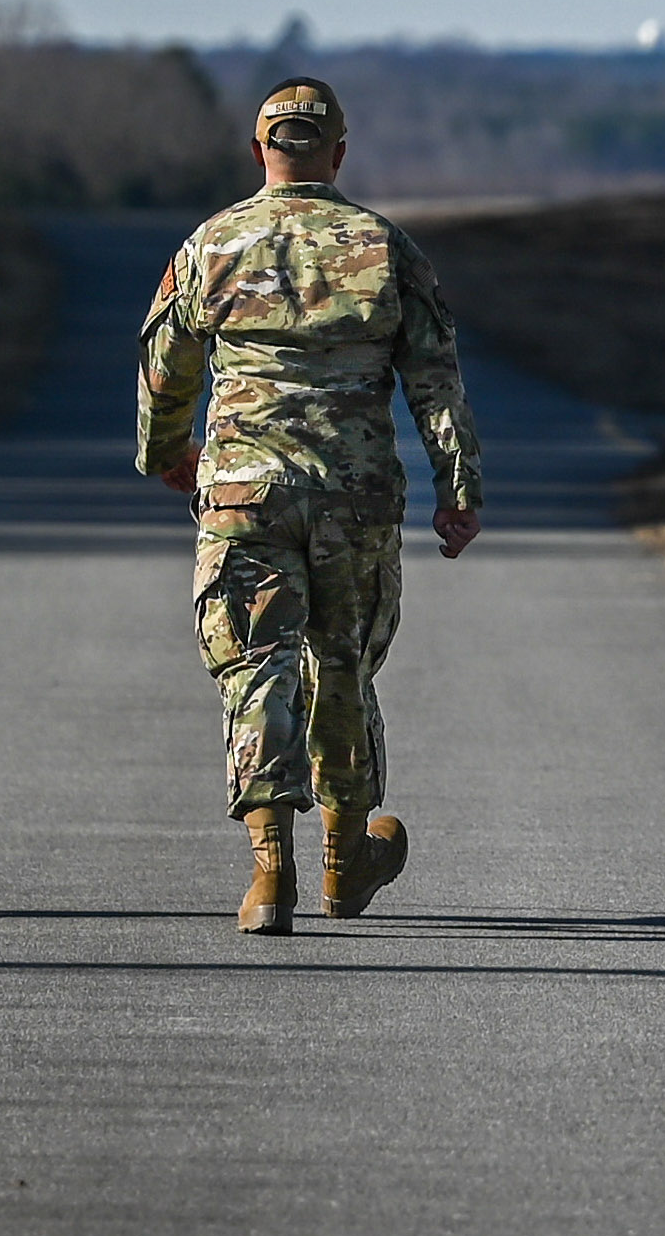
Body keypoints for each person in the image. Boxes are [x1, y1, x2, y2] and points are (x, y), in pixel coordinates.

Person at [137, 79, 487, 935]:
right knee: (342, 665)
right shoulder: (383, 245)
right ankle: (343, 855)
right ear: (336, 154)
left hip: (242, 493)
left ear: (260, 152)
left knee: (257, 664)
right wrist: (458, 488)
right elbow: (436, 381)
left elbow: (166, 366)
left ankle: (269, 871)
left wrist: (168, 453)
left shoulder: (211, 244)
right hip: (353, 496)